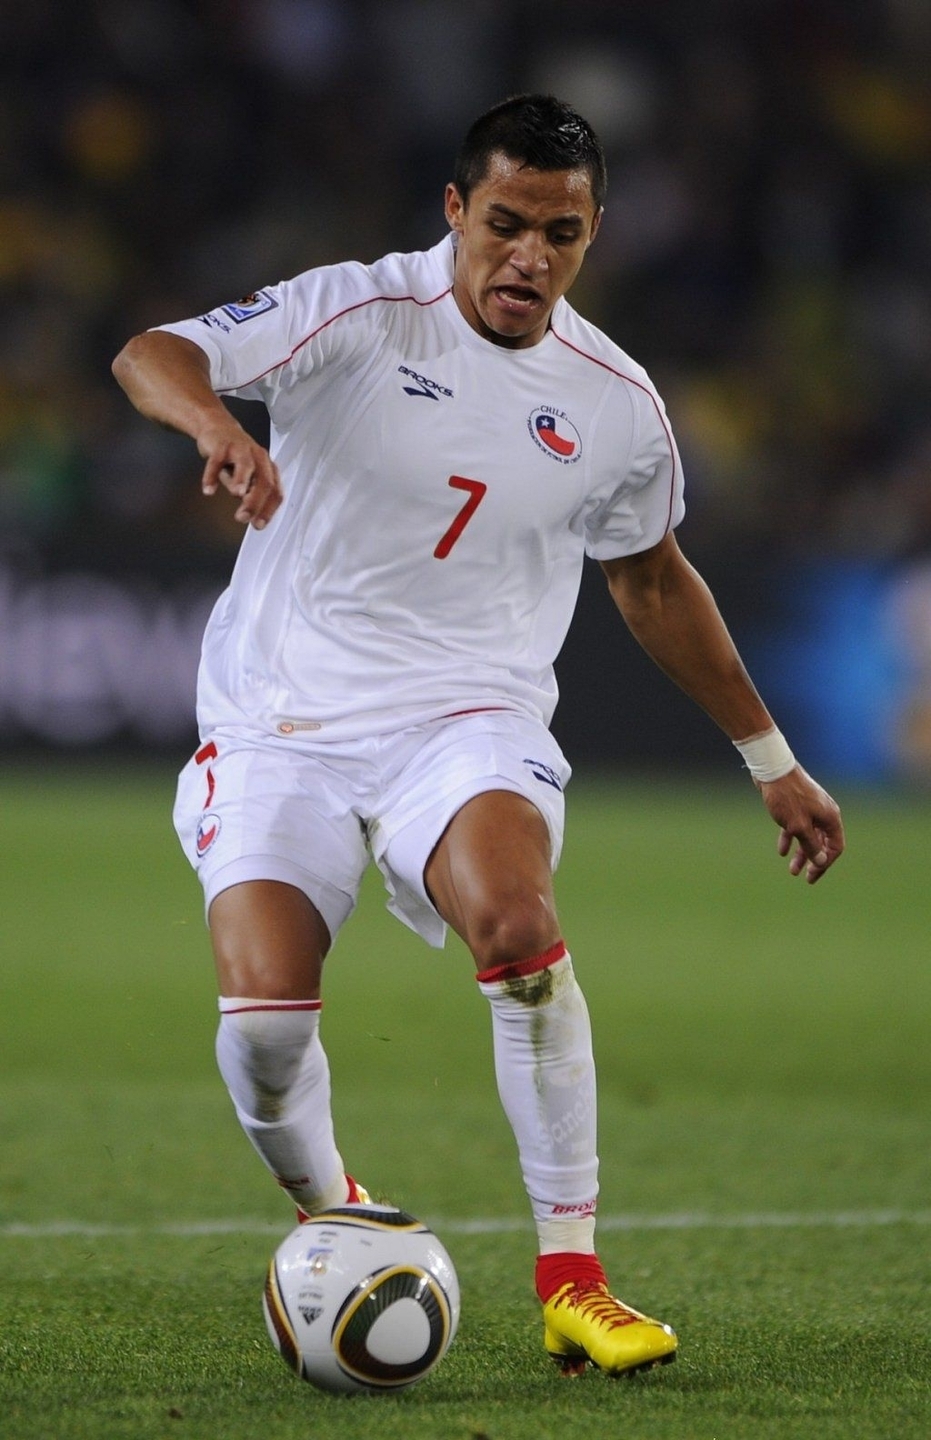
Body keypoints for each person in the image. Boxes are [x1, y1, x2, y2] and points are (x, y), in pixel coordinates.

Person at [112, 94, 844, 1379]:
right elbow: (149, 352)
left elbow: (652, 581)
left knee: (517, 924)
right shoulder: (354, 309)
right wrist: (216, 426)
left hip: (469, 717)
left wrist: (771, 762)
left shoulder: (615, 402)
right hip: (281, 717)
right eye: (504, 225)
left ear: (592, 232)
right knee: (268, 1029)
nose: (528, 258)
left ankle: (574, 1279)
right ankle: (340, 1213)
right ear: (456, 212)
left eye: (559, 235)